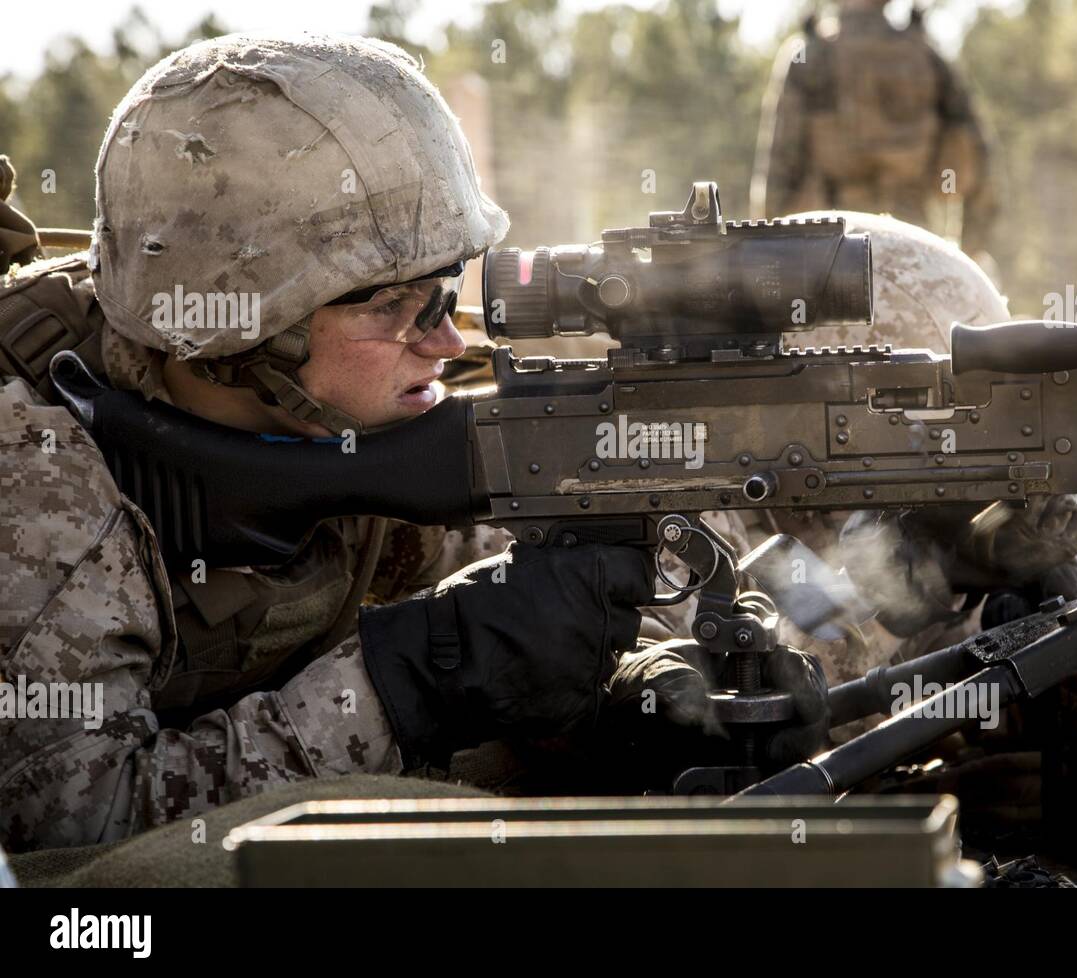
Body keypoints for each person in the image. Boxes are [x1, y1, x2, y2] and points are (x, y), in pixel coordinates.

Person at [0, 32, 828, 851]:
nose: (445, 343)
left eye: (447, 292)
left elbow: (506, 611)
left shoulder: (348, 421)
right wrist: (411, 678)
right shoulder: (40, 473)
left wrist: (628, 690)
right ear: (247, 329)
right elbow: (76, 833)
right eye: (392, 306)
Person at [751, 0, 997, 258]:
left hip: (829, 255)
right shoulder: (928, 55)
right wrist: (965, 255)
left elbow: (777, 176)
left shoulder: (809, 57)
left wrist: (773, 265)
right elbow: (982, 169)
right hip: (916, 251)